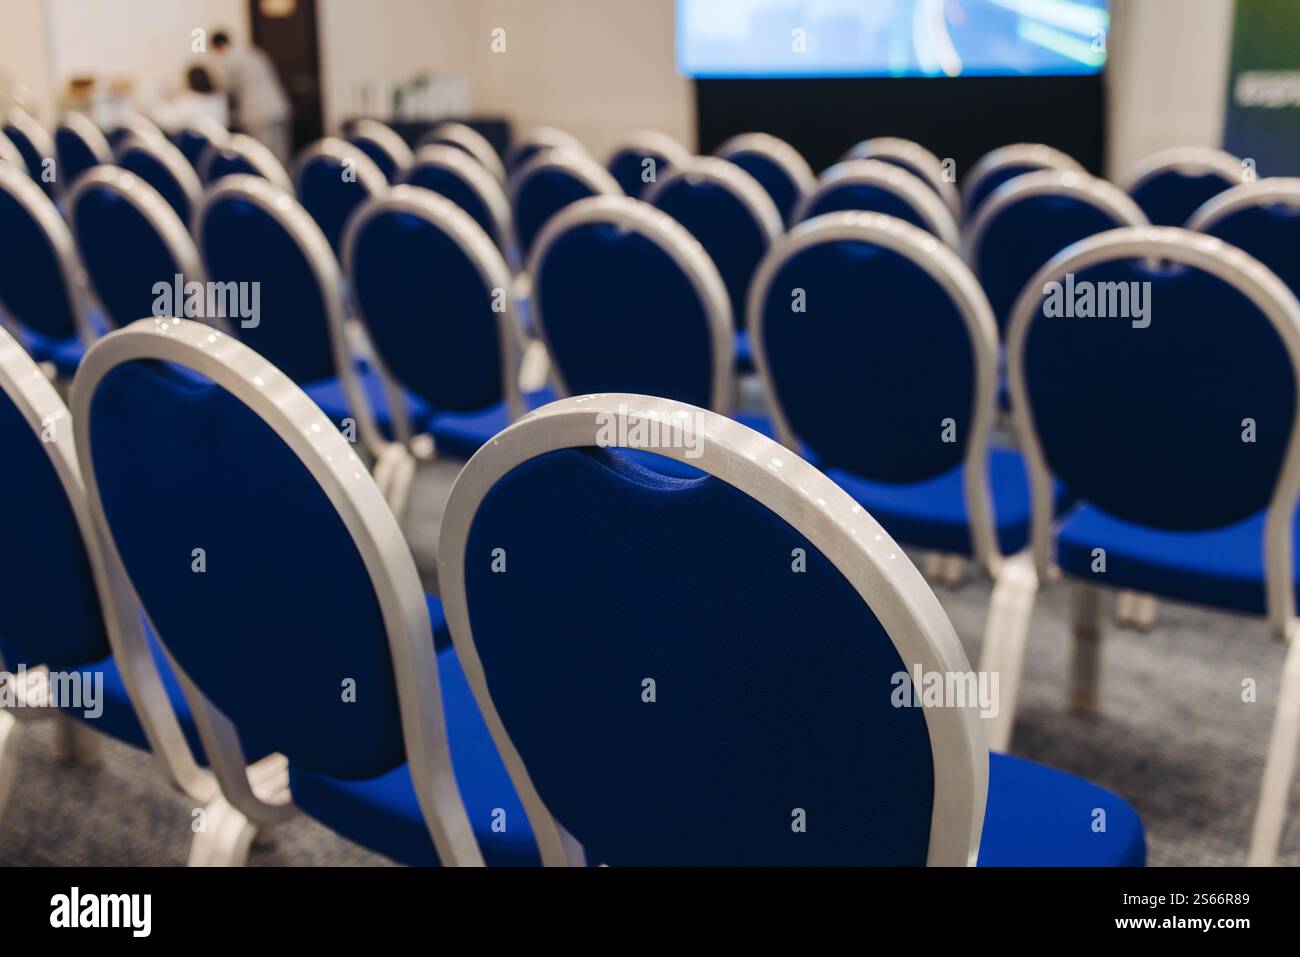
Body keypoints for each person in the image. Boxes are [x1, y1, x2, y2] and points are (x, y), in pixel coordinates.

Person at [210, 29, 292, 162]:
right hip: (278, 108)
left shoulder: (229, 58)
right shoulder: (252, 52)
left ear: (218, 47)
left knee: (265, 160)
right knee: (281, 159)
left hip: (258, 114)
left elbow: (225, 89)